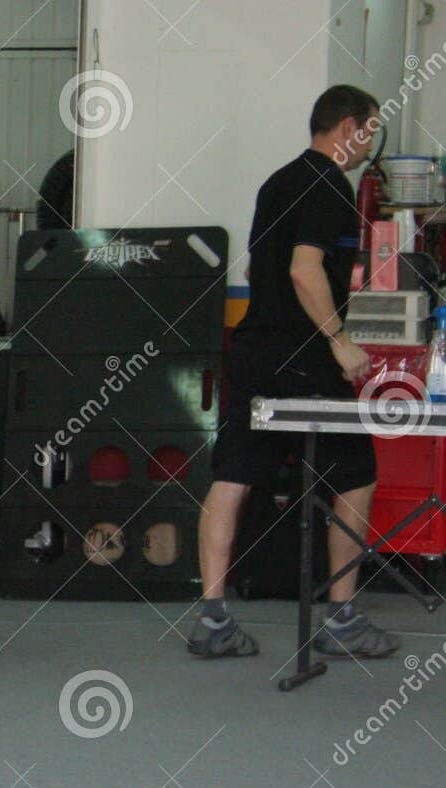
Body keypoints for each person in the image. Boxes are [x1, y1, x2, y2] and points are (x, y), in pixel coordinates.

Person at [192, 85, 397, 659]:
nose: (370, 145)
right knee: (355, 476)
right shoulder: (330, 186)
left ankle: (211, 619)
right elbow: (305, 271)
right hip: (303, 359)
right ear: (347, 127)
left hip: (254, 351)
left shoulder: (278, 182)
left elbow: (261, 271)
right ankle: (342, 618)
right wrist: (340, 342)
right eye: (370, 131)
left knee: (233, 477)